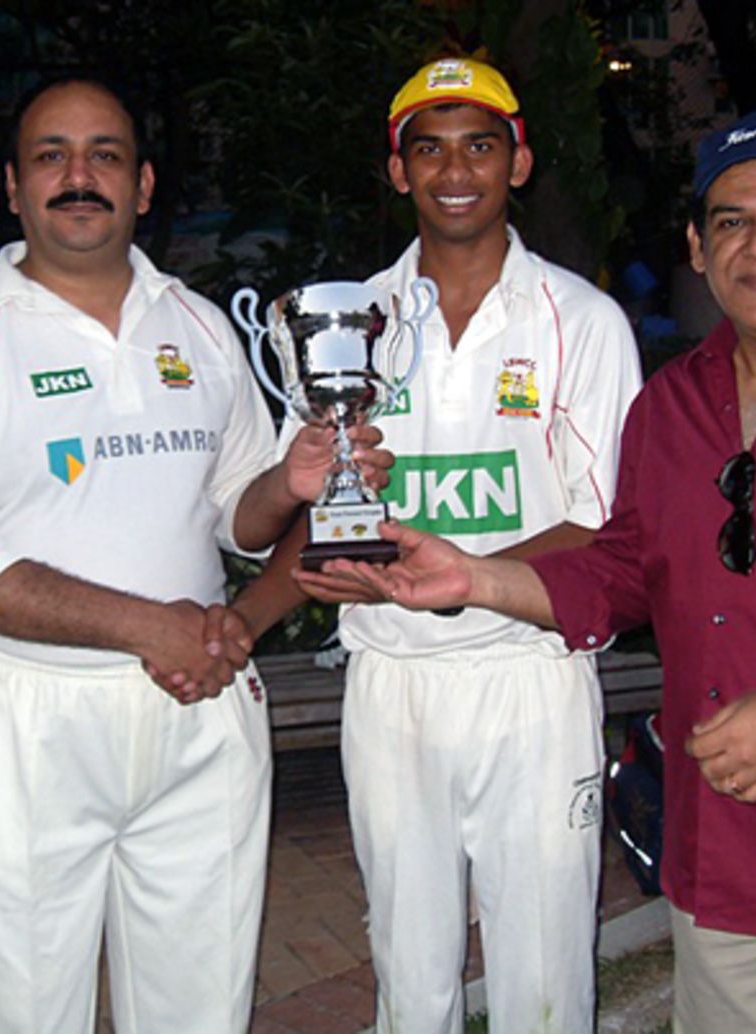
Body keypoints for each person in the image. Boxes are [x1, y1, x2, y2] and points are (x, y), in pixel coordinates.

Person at [325, 110, 756, 1033]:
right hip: (719, 854)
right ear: (699, 248)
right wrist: (475, 578)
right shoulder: (672, 406)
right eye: (733, 223)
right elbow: (624, 570)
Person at [0, 75, 389, 1034]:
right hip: (32, 719)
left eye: (105, 155)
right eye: (52, 156)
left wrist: (294, 479)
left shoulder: (198, 328)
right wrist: (149, 627)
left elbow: (237, 520)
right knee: (22, 1008)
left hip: (200, 709)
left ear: (145, 184)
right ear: (14, 187)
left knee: (201, 1003)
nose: (80, 177)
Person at [234, 56, 642, 1034]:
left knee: (542, 979)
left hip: (528, 675)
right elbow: (303, 515)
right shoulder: (350, 319)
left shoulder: (577, 319)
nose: (453, 169)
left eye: (478, 145)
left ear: (519, 161)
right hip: (391, 680)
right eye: (429, 148)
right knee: (408, 975)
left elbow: (605, 518)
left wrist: (463, 579)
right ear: (397, 170)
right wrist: (251, 612)